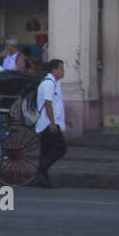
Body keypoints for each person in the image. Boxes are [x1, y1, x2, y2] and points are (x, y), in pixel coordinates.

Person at [35, 59, 67, 188]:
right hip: (48, 123)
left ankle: (43, 179)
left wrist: (65, 119)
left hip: (52, 121)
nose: (63, 71)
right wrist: (52, 123)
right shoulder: (48, 84)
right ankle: (42, 169)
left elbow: (56, 104)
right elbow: (48, 104)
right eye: (61, 69)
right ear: (54, 70)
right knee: (61, 148)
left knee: (46, 151)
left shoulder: (55, 83)